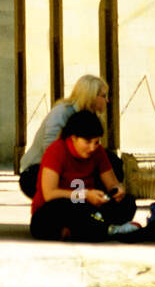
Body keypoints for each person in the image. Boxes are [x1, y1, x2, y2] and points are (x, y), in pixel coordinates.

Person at [30, 109, 134, 241]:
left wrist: (118, 190)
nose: (92, 148)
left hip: (89, 206)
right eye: (87, 142)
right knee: (59, 215)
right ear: (73, 138)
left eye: (96, 142)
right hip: (59, 207)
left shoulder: (98, 152)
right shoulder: (56, 150)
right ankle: (99, 228)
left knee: (127, 203)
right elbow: (50, 194)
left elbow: (112, 183)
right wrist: (84, 195)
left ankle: (93, 228)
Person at [18, 74, 122, 200]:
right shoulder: (62, 112)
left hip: (69, 167)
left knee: (113, 161)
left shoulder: (91, 116)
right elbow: (50, 150)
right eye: (103, 96)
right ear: (91, 95)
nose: (107, 101)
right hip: (38, 170)